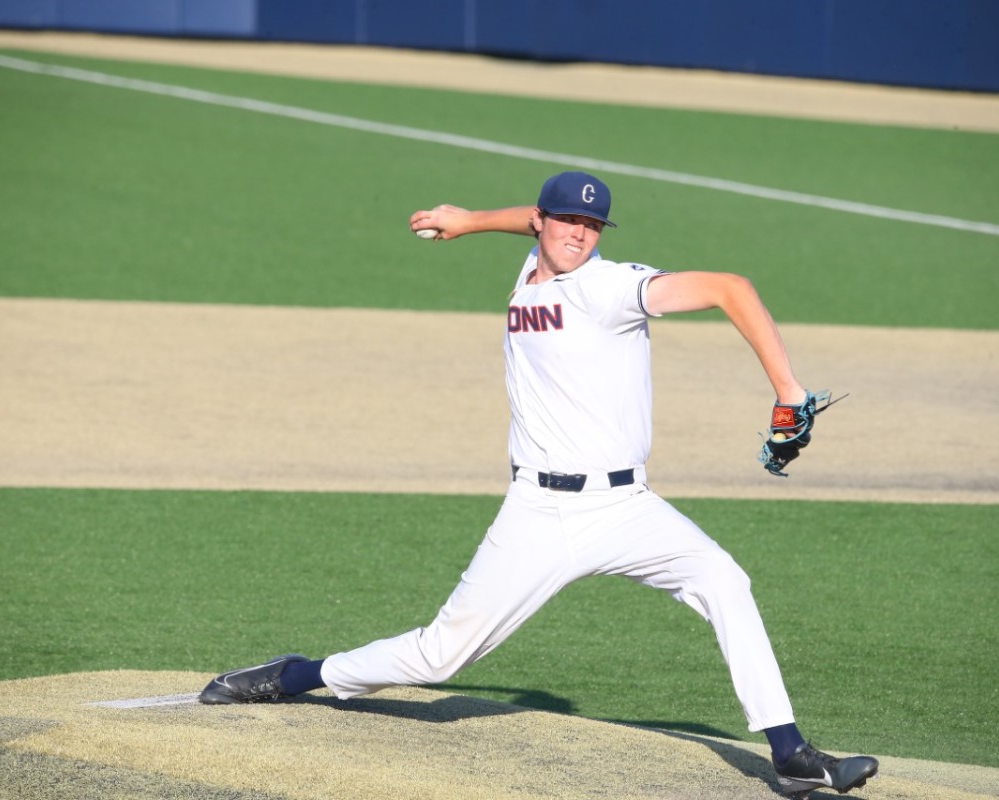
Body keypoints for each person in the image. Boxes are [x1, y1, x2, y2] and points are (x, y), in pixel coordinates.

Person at [200, 171, 879, 796]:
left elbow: (732, 288)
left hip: (626, 506)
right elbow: (528, 221)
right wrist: (468, 222)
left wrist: (787, 388)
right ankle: (296, 674)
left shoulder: (612, 287)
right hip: (539, 512)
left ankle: (789, 752)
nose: (577, 234)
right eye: (565, 221)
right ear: (544, 222)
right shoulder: (533, 259)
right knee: (440, 656)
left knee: (725, 579)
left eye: (592, 226)